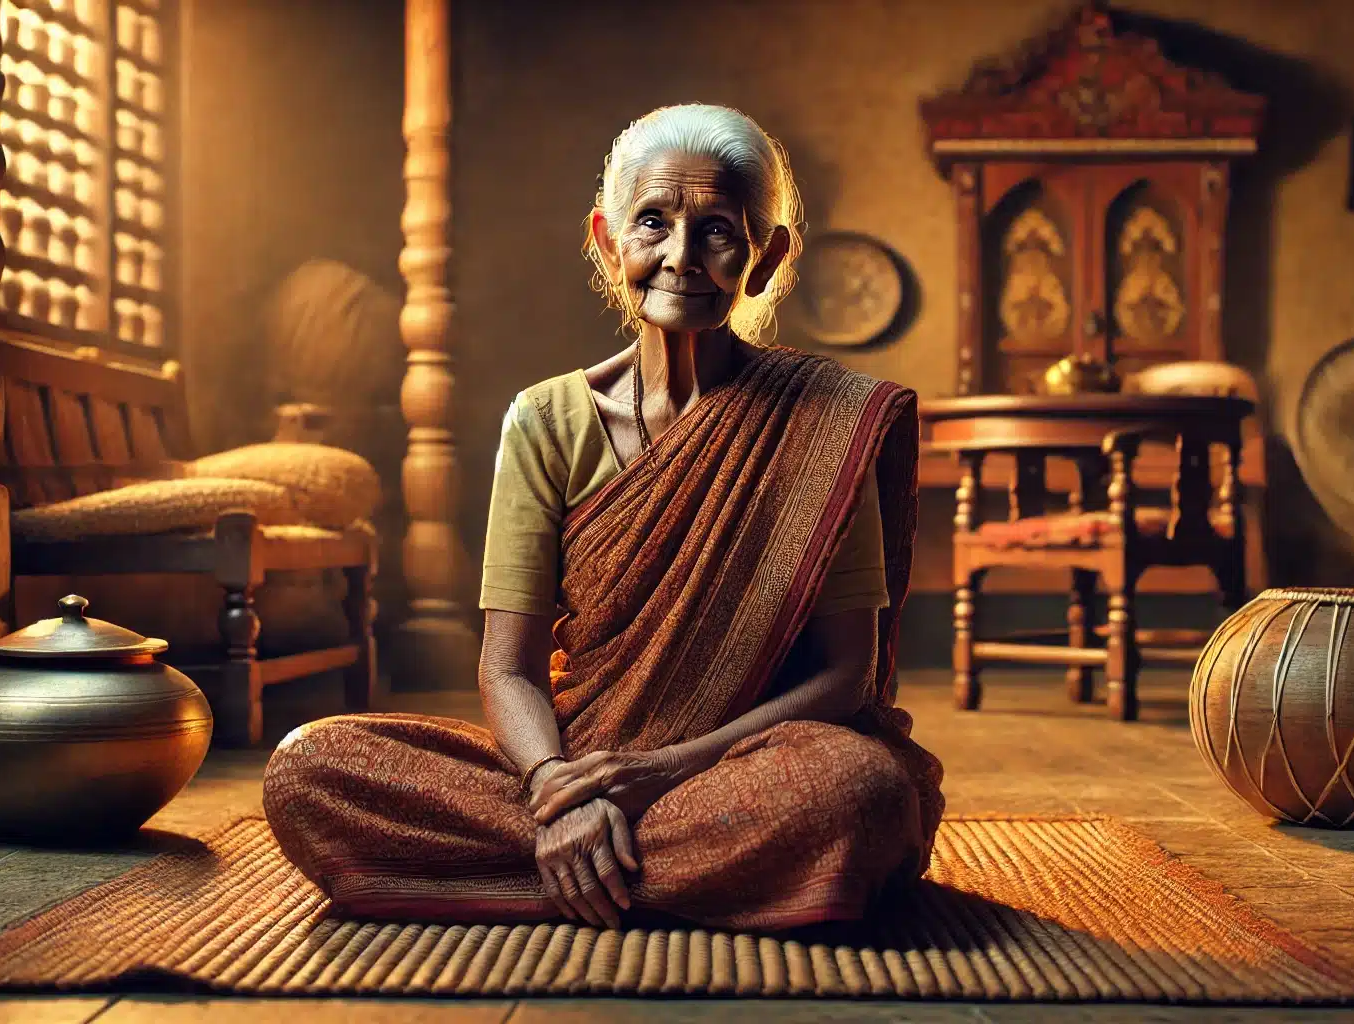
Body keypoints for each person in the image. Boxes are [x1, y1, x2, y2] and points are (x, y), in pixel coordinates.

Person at [264, 103, 945, 933]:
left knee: (859, 793)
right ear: (607, 240)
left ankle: (547, 875)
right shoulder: (546, 421)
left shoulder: (826, 423)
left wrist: (659, 773)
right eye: (653, 222)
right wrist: (556, 785)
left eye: (718, 230)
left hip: (741, 769)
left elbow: (845, 675)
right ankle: (633, 863)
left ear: (765, 257)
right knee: (310, 768)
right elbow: (509, 668)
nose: (681, 256)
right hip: (576, 767)